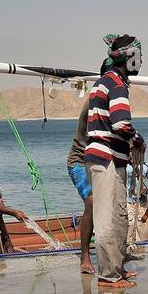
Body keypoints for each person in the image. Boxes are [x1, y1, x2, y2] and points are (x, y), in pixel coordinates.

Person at [85, 33, 143, 287]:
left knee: (119, 215)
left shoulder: (104, 81)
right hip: (106, 158)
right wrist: (138, 139)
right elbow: (121, 123)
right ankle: (108, 276)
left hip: (109, 159)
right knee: (109, 218)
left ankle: (116, 268)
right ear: (130, 59)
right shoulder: (117, 85)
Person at [66, 99, 95, 274]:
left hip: (96, 163)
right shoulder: (93, 103)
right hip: (79, 162)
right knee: (91, 203)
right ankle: (85, 256)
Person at [125, 137, 148, 250]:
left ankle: (144, 249)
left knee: (142, 227)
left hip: (141, 202)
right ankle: (129, 248)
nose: (131, 155)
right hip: (128, 201)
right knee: (130, 225)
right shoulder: (125, 167)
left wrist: (147, 189)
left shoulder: (146, 167)